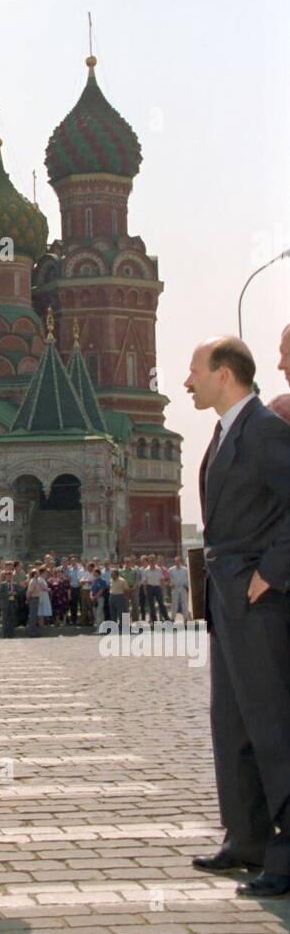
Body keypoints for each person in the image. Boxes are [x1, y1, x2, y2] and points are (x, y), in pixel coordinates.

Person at [185, 336, 290, 898]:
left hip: (258, 601)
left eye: (195, 370)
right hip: (225, 603)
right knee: (233, 723)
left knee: (273, 725)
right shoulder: (227, 432)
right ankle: (245, 837)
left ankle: (286, 852)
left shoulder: (267, 432)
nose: (187, 381)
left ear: (224, 374)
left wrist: (272, 571)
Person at [143, 555, 168, 622]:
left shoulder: (158, 569)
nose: (152, 562)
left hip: (157, 587)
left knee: (161, 604)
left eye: (153, 560)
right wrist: (145, 590)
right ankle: (154, 620)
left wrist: (162, 588)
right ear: (149, 561)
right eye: (150, 561)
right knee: (151, 605)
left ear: (155, 561)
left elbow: (162, 579)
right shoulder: (146, 570)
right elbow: (145, 581)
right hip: (150, 587)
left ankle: (167, 618)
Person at [168, 554, 189, 622]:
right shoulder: (171, 569)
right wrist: (171, 584)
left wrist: (187, 587)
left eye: (178, 561)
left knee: (184, 603)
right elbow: (169, 579)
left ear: (180, 561)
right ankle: (173, 618)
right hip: (175, 588)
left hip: (183, 587)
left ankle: (185, 618)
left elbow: (188, 579)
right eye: (175, 561)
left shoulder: (185, 569)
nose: (177, 562)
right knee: (174, 603)